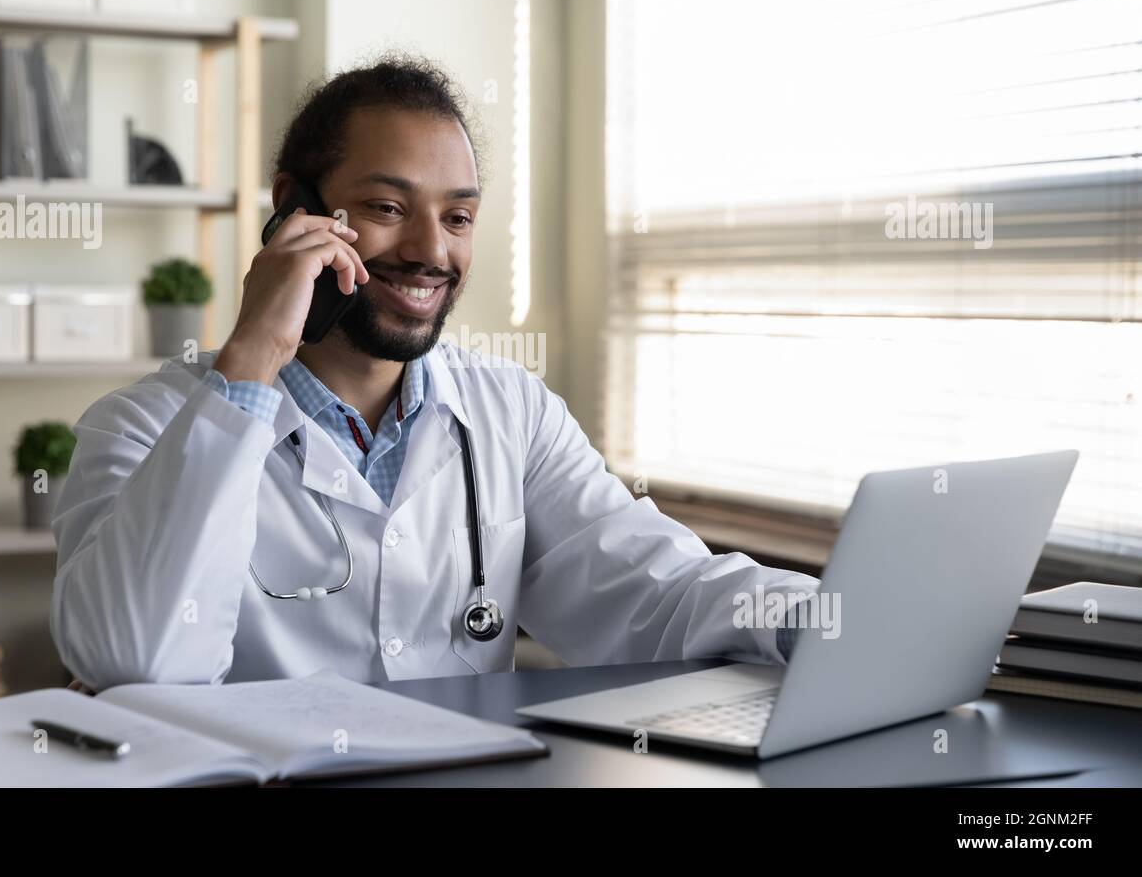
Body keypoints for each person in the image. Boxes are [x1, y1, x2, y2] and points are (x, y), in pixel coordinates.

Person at [50, 54, 820, 690]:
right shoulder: (139, 427)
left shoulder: (511, 412)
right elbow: (135, 660)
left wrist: (829, 619)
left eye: (457, 218)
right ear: (293, 210)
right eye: (388, 207)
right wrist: (250, 361)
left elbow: (658, 592)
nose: (431, 251)